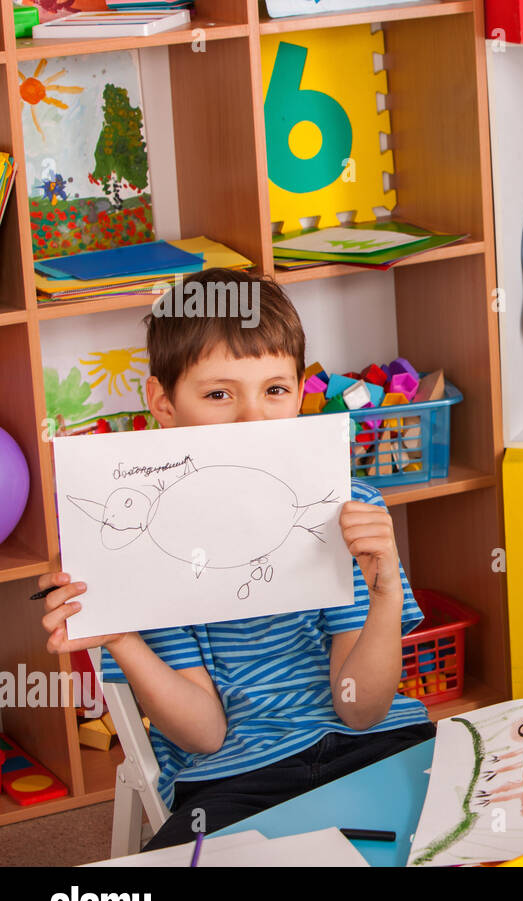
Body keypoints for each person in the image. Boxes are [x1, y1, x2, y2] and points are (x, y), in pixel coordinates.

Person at [36, 269, 433, 849]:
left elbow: (361, 710)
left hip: (372, 743)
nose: (253, 418)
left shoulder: (348, 509)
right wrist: (122, 638)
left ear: (300, 392)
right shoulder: (141, 544)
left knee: (478, 822)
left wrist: (385, 597)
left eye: (275, 390)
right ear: (163, 403)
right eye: (219, 394)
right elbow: (204, 736)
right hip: (236, 775)